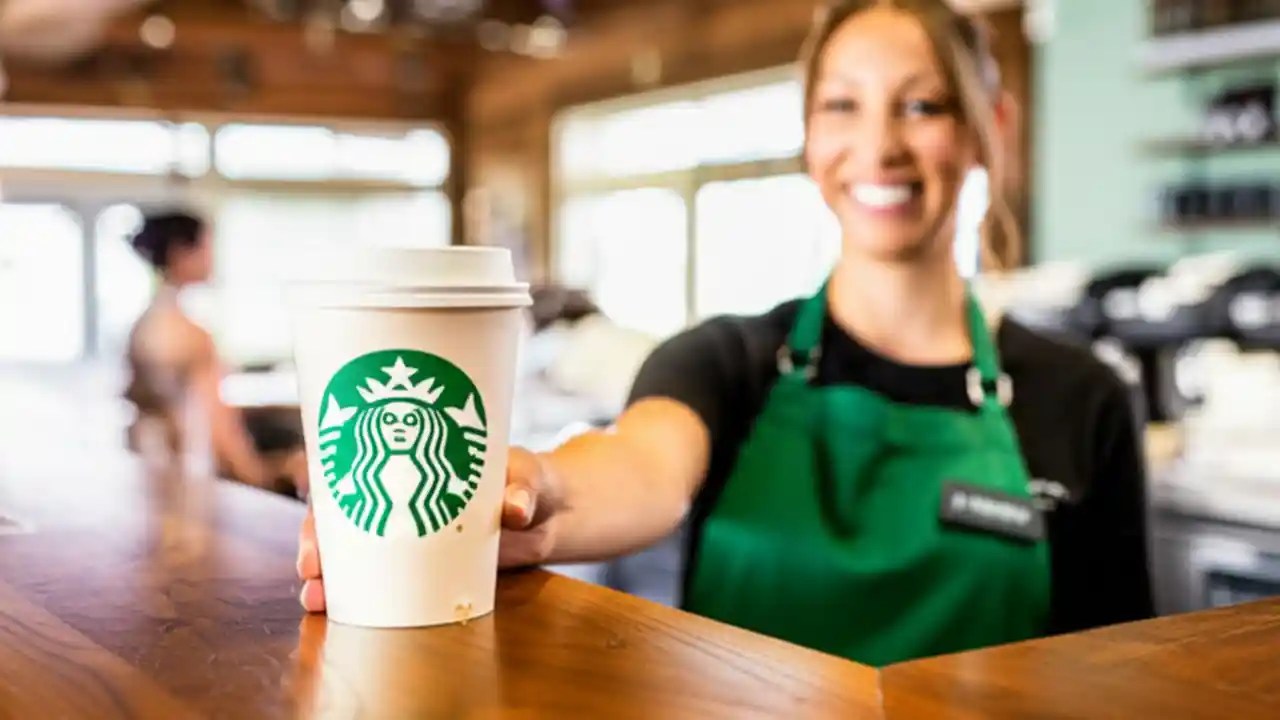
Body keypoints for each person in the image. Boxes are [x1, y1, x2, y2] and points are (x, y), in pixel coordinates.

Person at [298, 0, 1152, 666]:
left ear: (985, 133)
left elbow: (1116, 673)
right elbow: (639, 466)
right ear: (810, 138)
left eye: (922, 105)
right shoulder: (726, 361)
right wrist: (533, 497)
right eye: (842, 106)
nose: (879, 145)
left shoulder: (1084, 398)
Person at [125, 210, 305, 493]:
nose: (211, 258)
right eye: (206, 247)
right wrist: (261, 475)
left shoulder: (142, 326)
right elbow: (219, 429)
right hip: (189, 479)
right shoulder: (190, 334)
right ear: (181, 253)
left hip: (147, 474)